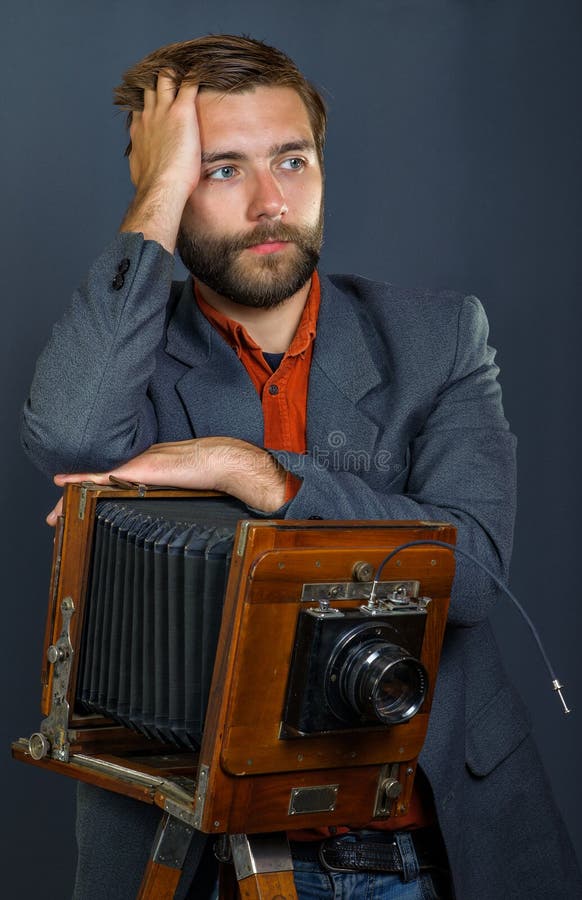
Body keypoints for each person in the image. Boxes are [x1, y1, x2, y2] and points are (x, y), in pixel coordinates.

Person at [21, 35, 581, 900]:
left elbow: (467, 578)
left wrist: (263, 477)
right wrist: (155, 198)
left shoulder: (438, 339)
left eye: (293, 160)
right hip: (204, 854)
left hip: (426, 847)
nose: (271, 203)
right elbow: (70, 437)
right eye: (220, 171)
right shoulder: (131, 353)